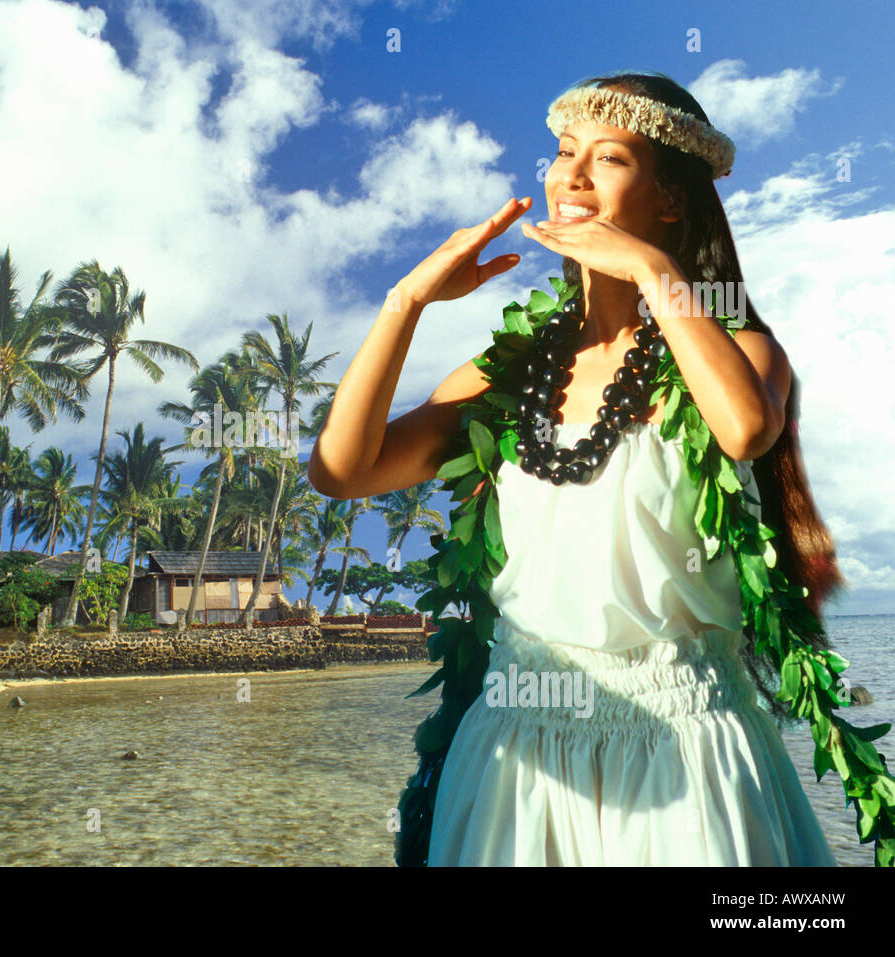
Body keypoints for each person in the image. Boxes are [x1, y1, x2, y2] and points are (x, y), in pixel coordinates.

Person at [307, 70, 844, 865]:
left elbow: (744, 427)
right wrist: (408, 300)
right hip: (517, 746)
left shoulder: (739, 355)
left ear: (671, 200)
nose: (573, 175)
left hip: (686, 749)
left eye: (611, 157)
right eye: (564, 152)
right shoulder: (512, 371)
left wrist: (655, 274)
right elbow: (341, 471)